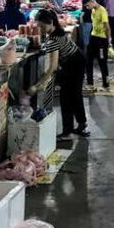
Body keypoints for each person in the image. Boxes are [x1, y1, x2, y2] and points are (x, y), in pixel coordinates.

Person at [36, 8, 89, 140]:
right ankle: (81, 124)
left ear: (50, 23)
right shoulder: (58, 32)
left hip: (74, 63)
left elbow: (53, 67)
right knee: (75, 95)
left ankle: (67, 132)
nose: (40, 29)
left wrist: (39, 84)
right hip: (78, 59)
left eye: (42, 26)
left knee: (66, 98)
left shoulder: (53, 40)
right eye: (38, 26)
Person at [85, 0, 110, 92]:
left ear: (93, 2)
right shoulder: (93, 10)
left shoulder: (102, 11)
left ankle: (106, 84)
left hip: (101, 40)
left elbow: (107, 27)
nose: (87, 6)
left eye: (88, 4)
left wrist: (107, 41)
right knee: (88, 60)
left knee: (102, 62)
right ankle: (90, 83)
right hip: (93, 38)